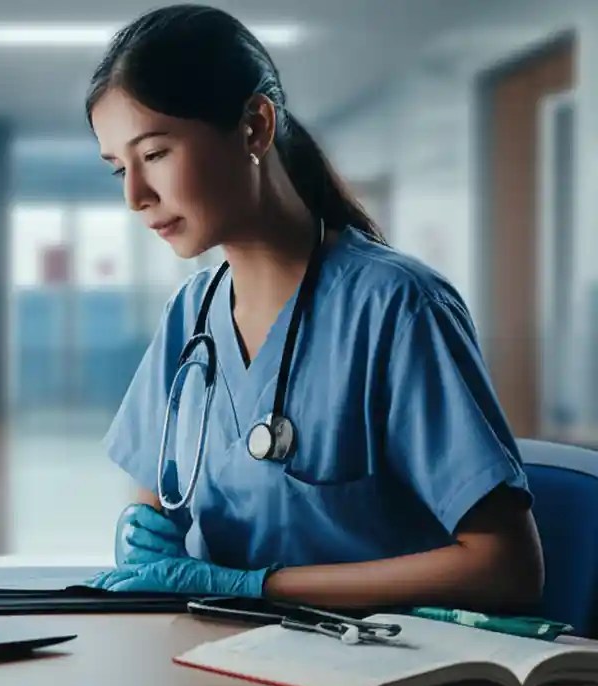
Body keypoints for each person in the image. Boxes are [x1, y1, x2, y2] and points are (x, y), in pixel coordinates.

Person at [85, 5, 543, 611]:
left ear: (254, 128)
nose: (136, 197)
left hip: (378, 676)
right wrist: (144, 539)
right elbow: (154, 506)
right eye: (119, 169)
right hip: (214, 664)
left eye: (157, 154)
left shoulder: (397, 309)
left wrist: (255, 587)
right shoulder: (191, 317)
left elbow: (507, 567)